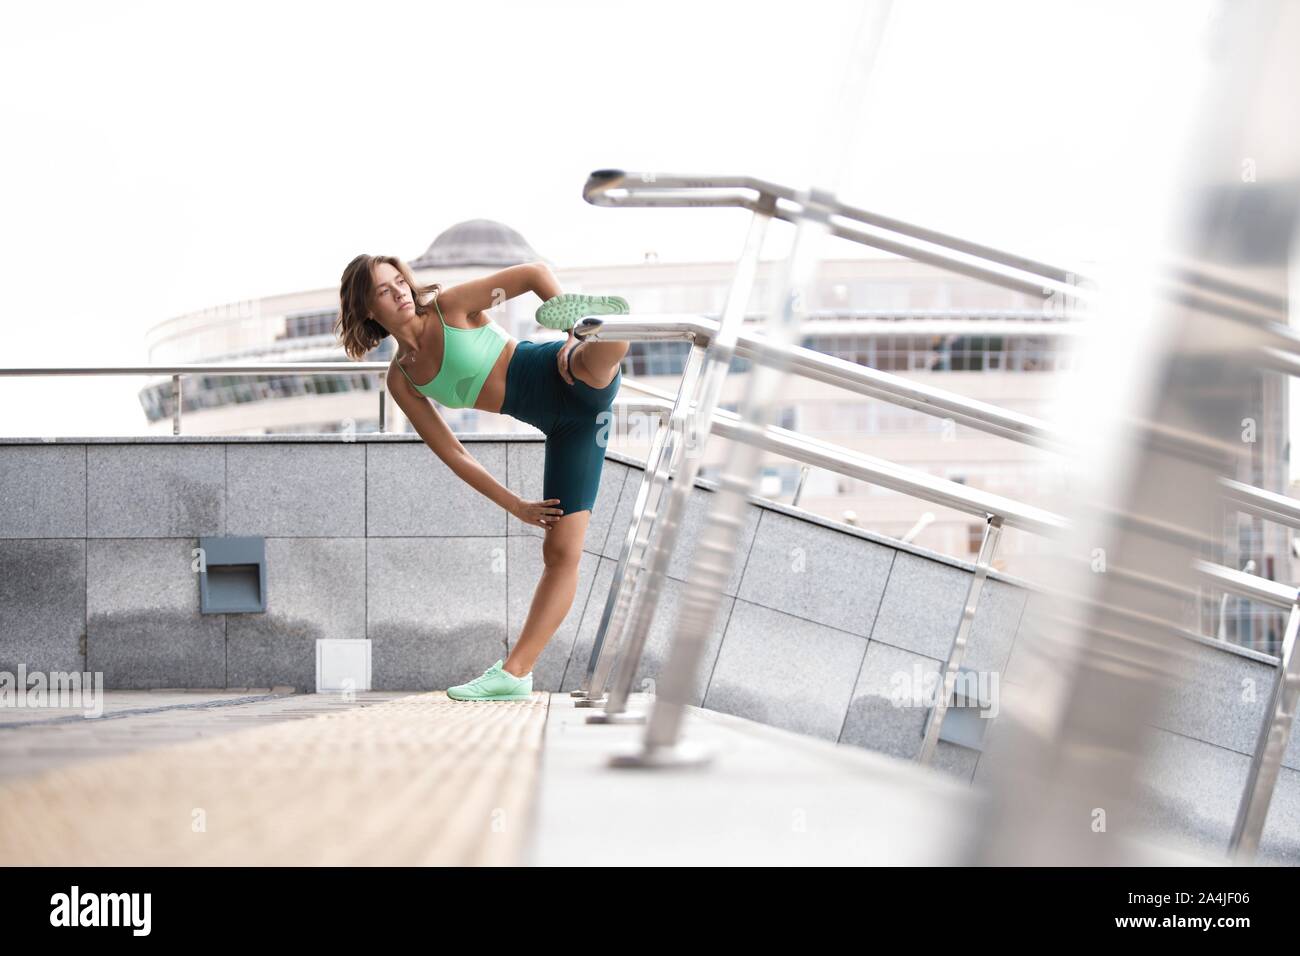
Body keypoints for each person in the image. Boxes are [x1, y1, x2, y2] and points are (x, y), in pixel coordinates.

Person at [336, 254, 629, 700]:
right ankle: (514, 675)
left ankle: (593, 328)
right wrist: (516, 504)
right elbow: (453, 452)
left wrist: (568, 331)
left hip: (561, 371)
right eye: (383, 290)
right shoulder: (403, 378)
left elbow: (532, 274)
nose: (399, 291)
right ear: (367, 310)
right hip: (570, 430)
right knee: (560, 552)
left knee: (607, 350)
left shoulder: (450, 308)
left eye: (400, 281)